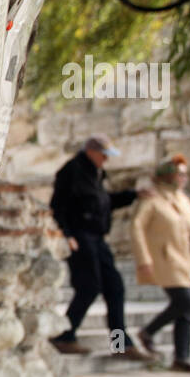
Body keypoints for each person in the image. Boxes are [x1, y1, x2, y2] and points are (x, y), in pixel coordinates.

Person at [49, 134, 154, 360]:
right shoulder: (72, 171)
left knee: (115, 287)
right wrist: (66, 235)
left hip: (97, 238)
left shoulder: (96, 175)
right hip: (79, 237)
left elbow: (103, 202)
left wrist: (133, 195)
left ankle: (120, 345)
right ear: (91, 152)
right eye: (104, 155)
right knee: (89, 286)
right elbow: (57, 207)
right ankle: (64, 336)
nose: (106, 160)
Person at [131, 155, 190, 373]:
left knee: (187, 313)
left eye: (184, 175)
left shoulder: (184, 201)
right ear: (168, 175)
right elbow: (136, 228)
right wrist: (144, 259)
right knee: (186, 304)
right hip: (165, 260)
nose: (183, 178)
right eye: (179, 174)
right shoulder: (151, 199)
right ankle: (148, 331)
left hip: (186, 261)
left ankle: (181, 358)